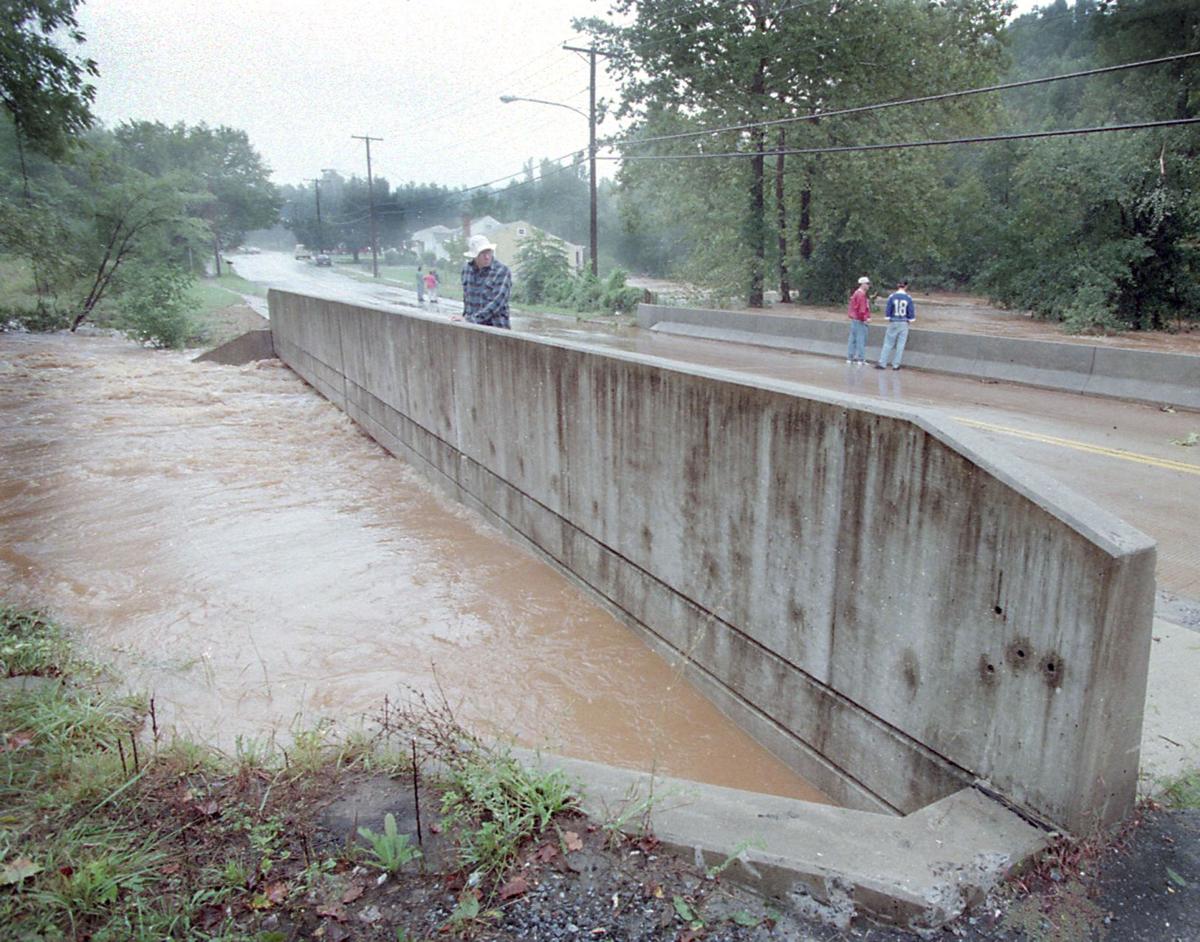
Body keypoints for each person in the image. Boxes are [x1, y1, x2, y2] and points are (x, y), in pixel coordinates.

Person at [459, 234, 512, 329]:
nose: (487, 257)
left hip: (496, 329)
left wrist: (471, 320)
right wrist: (464, 319)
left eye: (489, 252)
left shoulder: (502, 271)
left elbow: (497, 302)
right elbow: (467, 301)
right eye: (482, 254)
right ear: (475, 256)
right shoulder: (466, 270)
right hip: (472, 328)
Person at [875, 280, 916, 370]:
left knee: (888, 343)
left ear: (898, 286)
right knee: (900, 344)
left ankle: (882, 363)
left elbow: (888, 311)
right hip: (904, 322)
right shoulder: (908, 298)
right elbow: (911, 314)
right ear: (906, 286)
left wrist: (889, 318)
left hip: (894, 321)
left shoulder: (892, 297)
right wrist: (909, 320)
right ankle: (896, 365)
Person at [846, 276, 871, 364]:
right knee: (861, 339)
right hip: (860, 320)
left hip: (854, 319)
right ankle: (861, 359)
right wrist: (865, 318)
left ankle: (850, 357)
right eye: (867, 284)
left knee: (852, 339)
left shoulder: (855, 294)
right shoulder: (861, 295)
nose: (868, 286)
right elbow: (862, 309)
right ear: (863, 284)